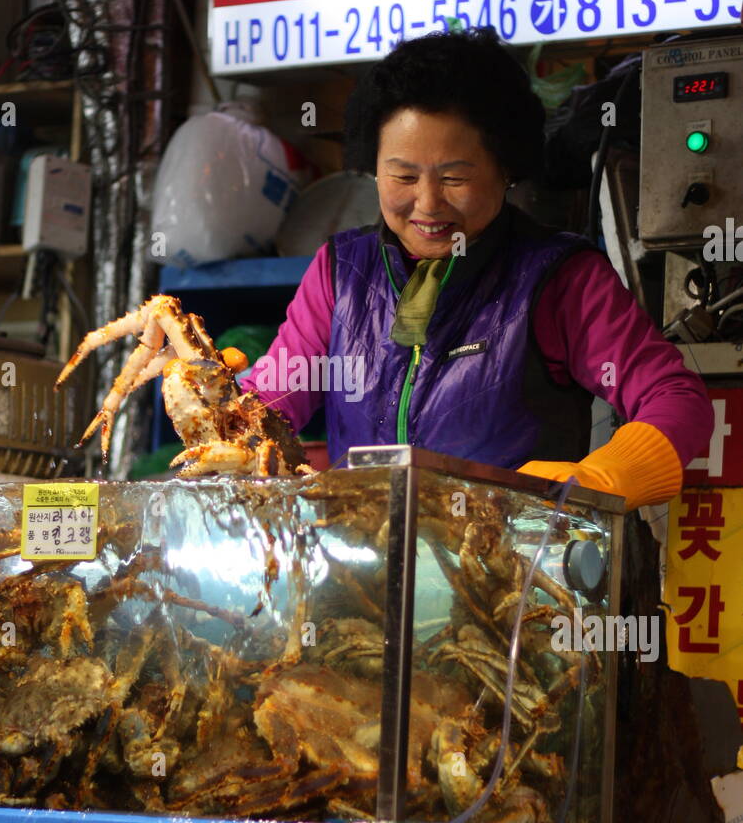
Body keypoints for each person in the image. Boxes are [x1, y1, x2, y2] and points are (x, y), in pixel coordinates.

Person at [242, 29, 713, 508]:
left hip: (511, 569)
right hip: (363, 563)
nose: (427, 203)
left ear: (505, 168)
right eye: (403, 176)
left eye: (455, 178)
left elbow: (676, 399)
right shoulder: (342, 271)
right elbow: (268, 404)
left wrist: (603, 478)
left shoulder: (560, 278)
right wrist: (203, 387)